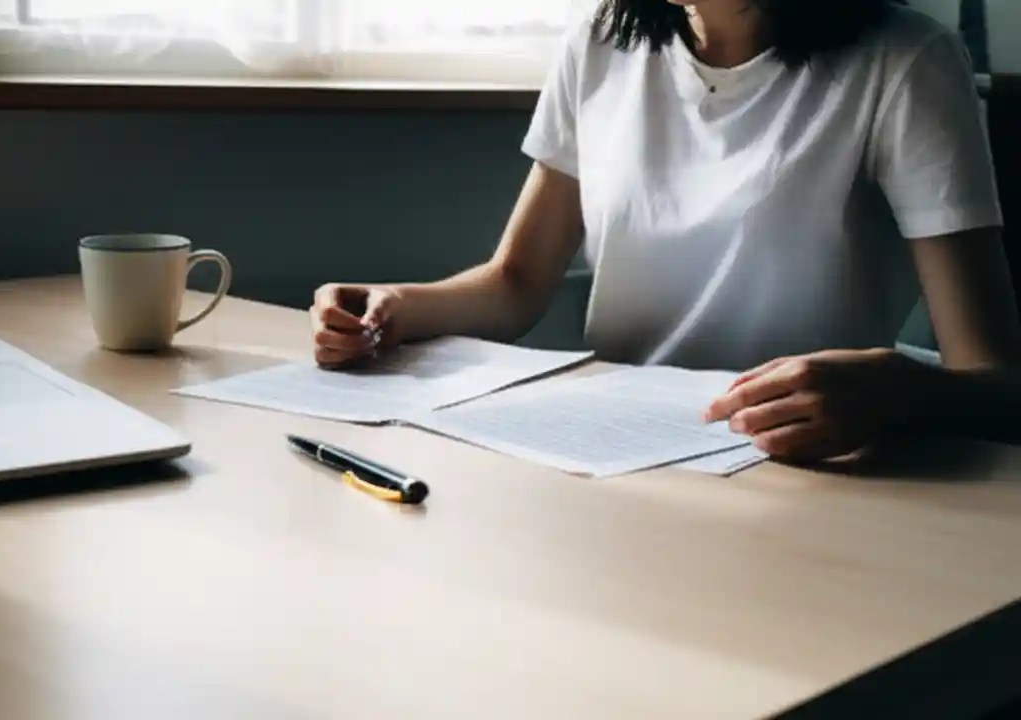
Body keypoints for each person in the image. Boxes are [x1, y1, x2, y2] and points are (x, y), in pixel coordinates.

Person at [309, 0, 1021, 462]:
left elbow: (997, 382)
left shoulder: (907, 61)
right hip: (619, 453)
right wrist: (396, 306)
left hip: (797, 467)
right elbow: (516, 282)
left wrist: (897, 391)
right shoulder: (602, 40)